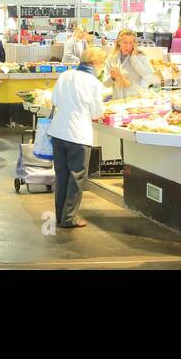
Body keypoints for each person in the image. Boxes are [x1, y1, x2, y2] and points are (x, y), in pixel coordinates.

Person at [48, 46, 108, 229]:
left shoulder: (65, 75)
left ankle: (60, 216)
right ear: (96, 63)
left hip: (58, 132)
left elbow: (55, 101)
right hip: (78, 135)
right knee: (77, 177)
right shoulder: (94, 83)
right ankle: (69, 218)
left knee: (62, 176)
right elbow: (97, 112)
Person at [105, 29, 156, 99]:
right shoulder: (112, 59)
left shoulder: (140, 57)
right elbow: (105, 84)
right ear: (119, 42)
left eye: (131, 43)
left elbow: (151, 78)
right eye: (125, 43)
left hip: (137, 101)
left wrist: (134, 59)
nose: (128, 46)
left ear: (134, 44)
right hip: (118, 102)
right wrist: (112, 77)